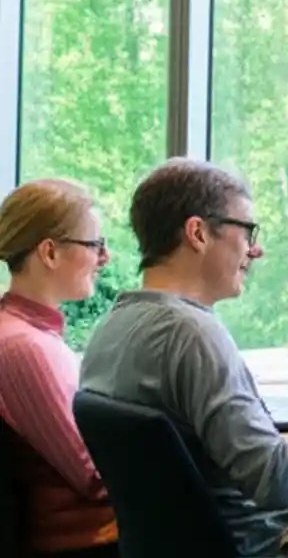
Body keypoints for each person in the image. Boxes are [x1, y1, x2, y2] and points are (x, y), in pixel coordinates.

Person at [79, 159, 288, 556]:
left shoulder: (113, 326)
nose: (256, 249)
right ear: (197, 232)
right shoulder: (193, 335)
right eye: (247, 230)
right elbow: (278, 481)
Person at [0, 179, 117, 558]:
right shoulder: (24, 347)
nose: (105, 258)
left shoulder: (28, 334)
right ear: (49, 252)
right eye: (95, 245)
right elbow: (95, 477)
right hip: (91, 545)